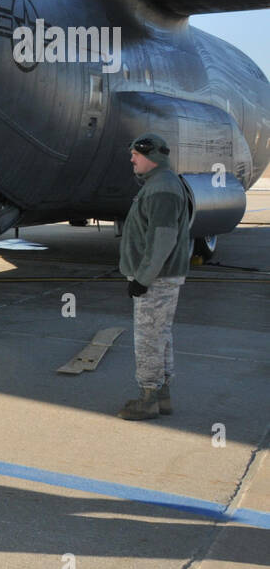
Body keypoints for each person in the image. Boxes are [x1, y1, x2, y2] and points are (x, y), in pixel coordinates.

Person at [117, 133, 192, 421]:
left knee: (149, 339)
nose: (132, 159)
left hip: (156, 280)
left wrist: (142, 279)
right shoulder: (161, 184)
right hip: (162, 278)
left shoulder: (162, 189)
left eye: (136, 154)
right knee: (161, 336)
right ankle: (162, 396)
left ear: (152, 157)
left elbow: (162, 240)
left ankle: (148, 399)